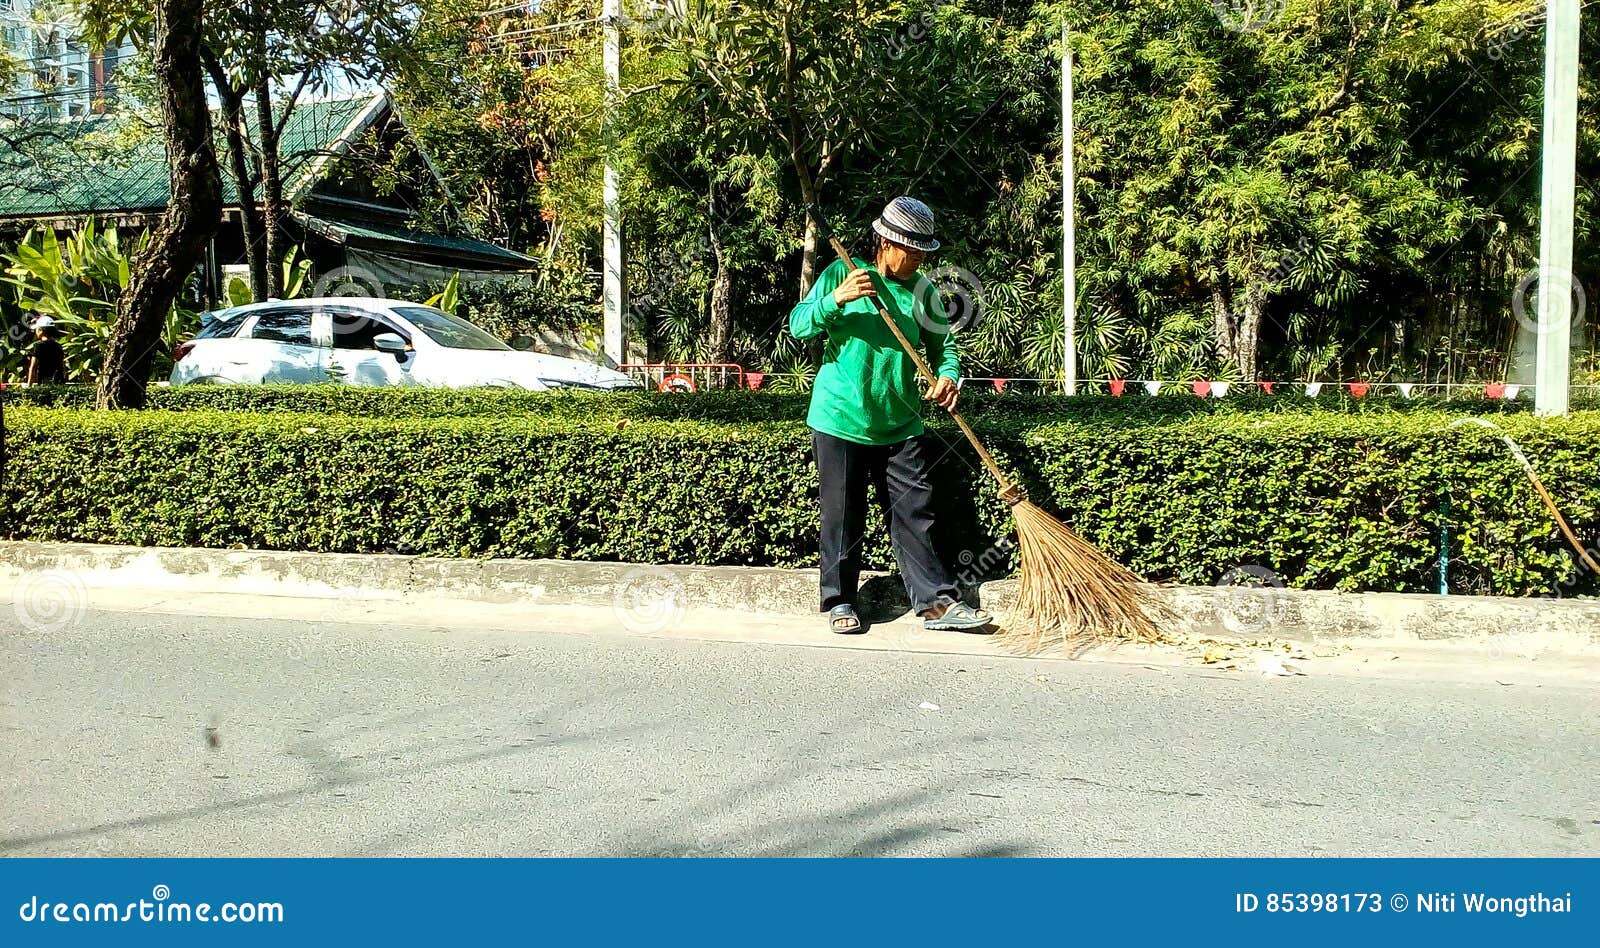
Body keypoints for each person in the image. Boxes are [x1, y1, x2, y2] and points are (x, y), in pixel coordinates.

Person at [788, 196, 992, 635]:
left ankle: (936, 605)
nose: (918, 259)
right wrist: (835, 300)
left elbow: (945, 350)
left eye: (923, 253)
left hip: (900, 422)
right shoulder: (843, 272)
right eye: (911, 251)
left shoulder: (922, 291)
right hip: (840, 418)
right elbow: (798, 324)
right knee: (842, 515)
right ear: (884, 242)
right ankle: (840, 600)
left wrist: (948, 378)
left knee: (916, 512)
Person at [25, 316, 67, 385]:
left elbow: (33, 367)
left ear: (41, 330)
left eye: (36, 329)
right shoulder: (58, 346)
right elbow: (61, 365)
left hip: (44, 382)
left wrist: (29, 385)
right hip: (58, 381)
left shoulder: (38, 346)